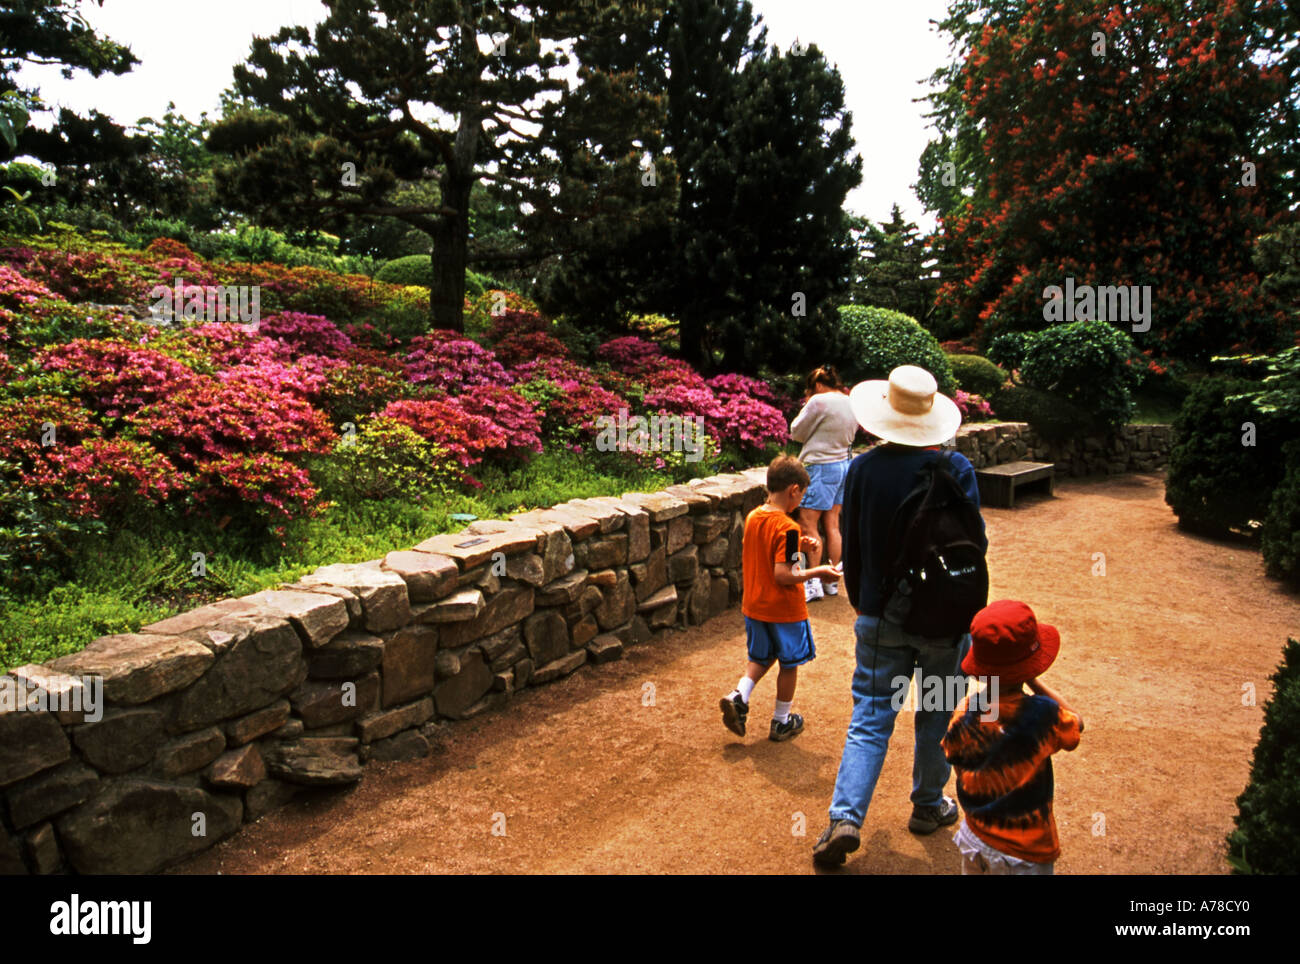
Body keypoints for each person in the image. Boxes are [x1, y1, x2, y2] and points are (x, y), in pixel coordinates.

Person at [812, 365, 987, 868]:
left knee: (870, 718)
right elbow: (977, 546)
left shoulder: (862, 470)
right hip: (944, 620)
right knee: (935, 714)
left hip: (881, 616)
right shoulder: (956, 470)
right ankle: (928, 806)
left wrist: (865, 603)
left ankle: (845, 818)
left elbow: (855, 544)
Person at [941, 600, 1083, 875]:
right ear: (1030, 665)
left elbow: (957, 765)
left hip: (975, 836)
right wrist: (1033, 680)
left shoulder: (965, 712)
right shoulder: (1045, 715)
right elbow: (1077, 723)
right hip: (1026, 851)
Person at [720, 454, 841, 742]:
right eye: (803, 494)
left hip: (755, 605)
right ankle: (781, 720)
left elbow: (767, 545)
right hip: (783, 609)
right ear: (794, 490)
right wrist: (818, 571)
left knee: (762, 655)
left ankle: (739, 695)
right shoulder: (788, 526)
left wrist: (799, 543)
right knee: (789, 663)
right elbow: (783, 574)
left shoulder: (754, 516)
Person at [788, 365, 858, 604]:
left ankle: (811, 582)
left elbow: (796, 432)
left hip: (819, 466)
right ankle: (831, 580)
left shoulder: (818, 402)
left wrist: (808, 404)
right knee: (833, 524)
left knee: (808, 523)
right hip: (843, 464)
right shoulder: (850, 401)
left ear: (817, 385)